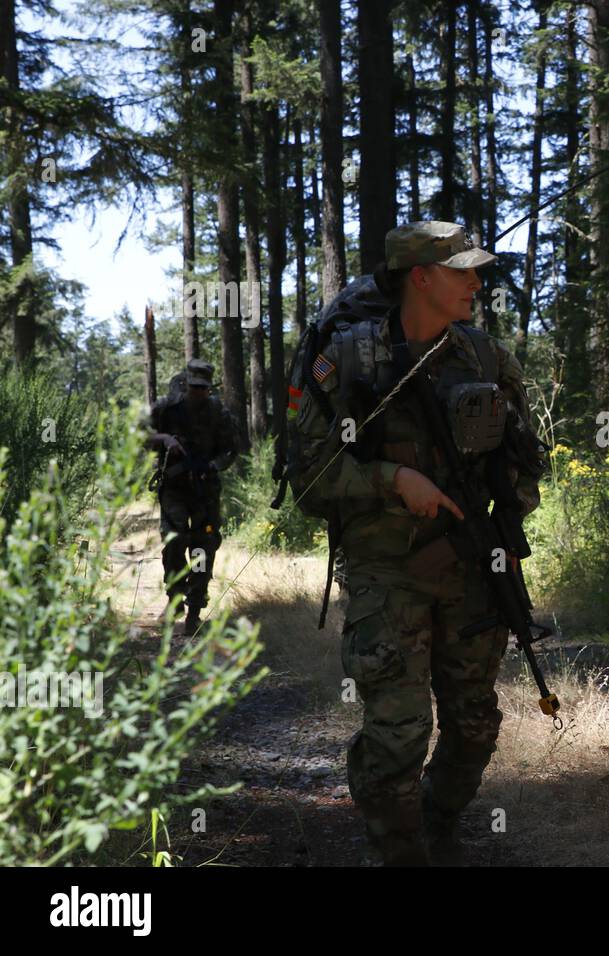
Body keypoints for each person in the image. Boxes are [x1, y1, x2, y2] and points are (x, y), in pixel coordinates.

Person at [291, 221, 545, 865]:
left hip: (469, 561)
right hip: (386, 568)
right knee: (398, 733)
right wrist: (393, 479)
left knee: (475, 726)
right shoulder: (347, 359)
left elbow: (523, 457)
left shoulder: (485, 357)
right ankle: (396, 851)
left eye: (477, 270)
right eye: (461, 271)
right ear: (420, 278)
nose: (476, 282)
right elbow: (309, 481)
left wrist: (509, 532)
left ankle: (438, 822)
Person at [143, 359, 239, 636]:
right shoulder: (165, 409)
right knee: (174, 541)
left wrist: (214, 465)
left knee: (203, 548)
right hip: (174, 486)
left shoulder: (218, 412)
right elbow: (140, 436)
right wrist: (164, 439)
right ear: (186, 384)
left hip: (205, 489)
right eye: (194, 387)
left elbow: (232, 449)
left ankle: (194, 609)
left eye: (203, 388)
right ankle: (174, 595)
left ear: (209, 387)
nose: (198, 393)